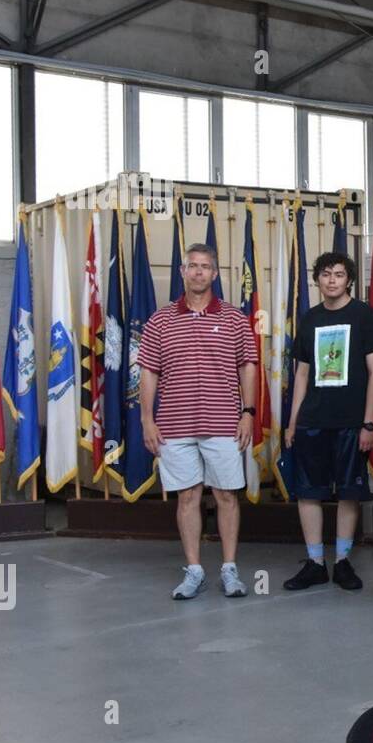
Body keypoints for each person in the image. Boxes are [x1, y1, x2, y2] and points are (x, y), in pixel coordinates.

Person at [137, 244, 257, 600]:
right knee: (187, 497)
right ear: (182, 271)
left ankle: (230, 569)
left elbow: (247, 366)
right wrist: (147, 419)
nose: (199, 272)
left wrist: (248, 413)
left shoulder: (235, 318)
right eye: (193, 266)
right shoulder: (160, 320)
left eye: (206, 267)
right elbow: (148, 372)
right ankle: (194, 571)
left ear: (215, 274)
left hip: (223, 423)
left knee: (226, 496)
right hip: (174, 425)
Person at [282, 252, 373, 592]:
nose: (332, 280)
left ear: (349, 280)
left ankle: (342, 561)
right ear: (317, 278)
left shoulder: (365, 316)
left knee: (348, 492)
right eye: (326, 274)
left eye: (339, 274)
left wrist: (368, 423)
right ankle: (315, 563)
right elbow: (302, 373)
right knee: (308, 492)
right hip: (312, 420)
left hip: (350, 421)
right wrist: (292, 421)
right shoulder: (310, 318)